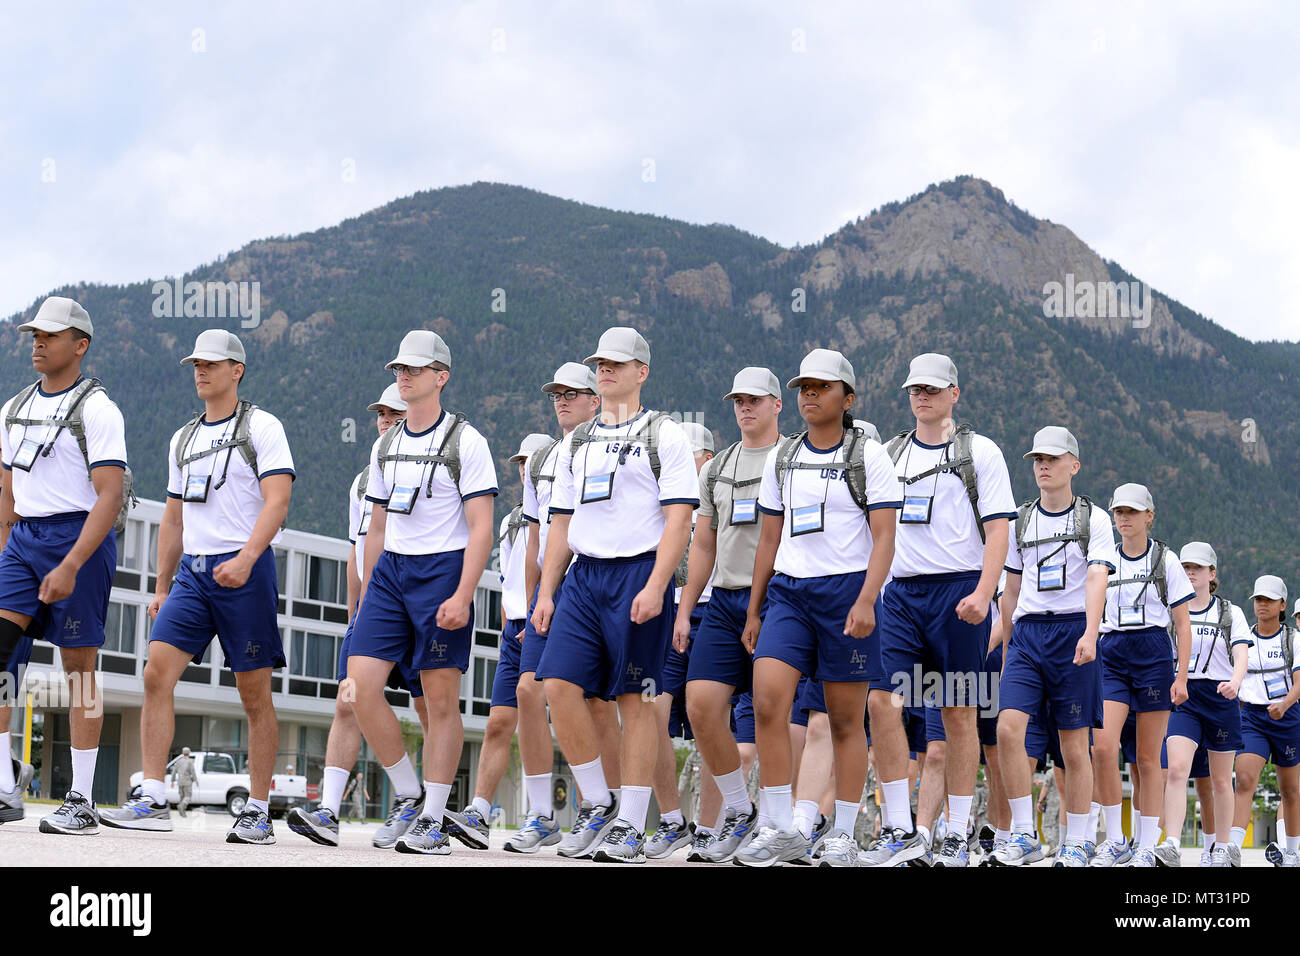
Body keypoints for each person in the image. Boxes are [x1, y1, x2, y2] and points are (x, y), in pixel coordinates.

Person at [102, 330, 293, 845]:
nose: (200, 371)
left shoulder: (263, 428)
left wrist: (248, 557)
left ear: (238, 371)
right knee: (154, 675)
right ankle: (153, 798)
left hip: (245, 571)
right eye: (195, 363)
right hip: (192, 574)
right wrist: (162, 586)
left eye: (212, 363)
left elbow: (277, 502)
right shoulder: (182, 439)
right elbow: (173, 519)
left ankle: (256, 810)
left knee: (253, 693)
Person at [530, 327, 698, 863]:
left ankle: (632, 822)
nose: (605, 371)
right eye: (600, 363)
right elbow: (560, 523)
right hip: (584, 576)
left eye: (617, 364)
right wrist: (546, 593)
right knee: (556, 685)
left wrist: (657, 585)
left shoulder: (664, 434)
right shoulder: (575, 441)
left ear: (641, 372)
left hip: (637, 575)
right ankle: (599, 803)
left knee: (638, 700)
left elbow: (679, 522)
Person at [735, 348, 900, 867]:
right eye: (803, 386)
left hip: (847, 594)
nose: (809, 393)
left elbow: (884, 537)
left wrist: (867, 599)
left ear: (847, 399)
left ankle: (844, 833)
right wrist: (754, 610)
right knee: (767, 700)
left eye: (822, 386)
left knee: (846, 720)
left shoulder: (868, 455)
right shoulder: (783, 457)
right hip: (789, 593)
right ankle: (781, 826)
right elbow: (767, 540)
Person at [864, 353, 1015, 868]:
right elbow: (875, 530)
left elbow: (999, 530)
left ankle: (954, 831)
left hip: (959, 597)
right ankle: (901, 829)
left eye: (932, 389)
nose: (921, 397)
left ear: (955, 393)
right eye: (914, 390)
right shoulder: (889, 455)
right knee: (882, 703)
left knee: (957, 713)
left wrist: (984, 593)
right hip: (901, 596)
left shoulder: (982, 452)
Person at [350, 330, 497, 855]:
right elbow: (377, 527)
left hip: (443, 571)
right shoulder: (385, 443)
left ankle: (434, 818)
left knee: (438, 700)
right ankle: (410, 795)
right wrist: (368, 593)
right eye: (398, 369)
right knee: (360, 686)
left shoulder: (466, 441)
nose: (403, 376)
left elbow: (482, 526)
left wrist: (463, 593)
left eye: (414, 368)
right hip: (391, 573)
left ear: (441, 376)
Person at [0, 297, 127, 834]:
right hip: (24, 539)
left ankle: (80, 798)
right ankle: (6, 785)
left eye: (50, 335)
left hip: (80, 537)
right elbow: (6, 492)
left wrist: (73, 562)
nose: (38, 342)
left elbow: (110, 494)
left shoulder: (98, 410)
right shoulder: (13, 408)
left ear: (81, 345)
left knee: (78, 671)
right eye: (35, 334)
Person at [288, 383, 430, 847]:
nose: (386, 421)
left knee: (431, 706)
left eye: (395, 413)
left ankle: (433, 811)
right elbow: (357, 551)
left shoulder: (432, 462)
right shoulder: (364, 480)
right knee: (348, 698)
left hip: (418, 604)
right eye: (381, 414)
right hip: (374, 608)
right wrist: (355, 612)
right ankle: (330, 809)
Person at [986, 427, 1115, 867]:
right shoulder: (1020, 520)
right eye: (1038, 459)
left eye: (1052, 458)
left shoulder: (1092, 519)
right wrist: (1006, 653)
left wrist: (1091, 633)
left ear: (1073, 465)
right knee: (1007, 729)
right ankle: (1023, 833)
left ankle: (1077, 840)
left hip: (1072, 633)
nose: (1042, 465)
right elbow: (1011, 590)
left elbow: (1097, 576)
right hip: (1026, 636)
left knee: (1075, 746)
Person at [676, 368, 783, 863]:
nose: (745, 408)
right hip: (722, 600)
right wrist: (683, 609)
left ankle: (786, 824)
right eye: (738, 400)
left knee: (770, 711)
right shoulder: (715, 468)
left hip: (782, 598)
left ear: (777, 405)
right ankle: (741, 811)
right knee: (700, 703)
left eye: (755, 400)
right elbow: (703, 543)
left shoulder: (792, 461)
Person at [503, 363, 605, 855]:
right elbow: (535, 540)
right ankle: (542, 814)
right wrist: (532, 600)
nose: (562, 401)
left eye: (572, 394)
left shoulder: (603, 446)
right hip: (550, 590)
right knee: (528, 691)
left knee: (598, 702)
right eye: (556, 395)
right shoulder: (543, 459)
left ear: (595, 400)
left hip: (593, 581)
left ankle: (607, 808)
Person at [456, 431, 554, 845]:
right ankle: (479, 810)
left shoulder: (558, 514)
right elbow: (507, 578)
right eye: (519, 463)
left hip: (547, 620)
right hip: (514, 626)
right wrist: (504, 624)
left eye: (531, 461)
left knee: (571, 718)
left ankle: (555, 812)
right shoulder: (511, 520)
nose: (524, 469)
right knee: (498, 721)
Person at [1089, 483, 1193, 867]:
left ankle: (1147, 844)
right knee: (1102, 747)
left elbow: (1183, 625)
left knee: (1149, 759)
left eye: (1132, 512)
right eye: (1118, 512)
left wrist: (1181, 677)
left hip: (1153, 655)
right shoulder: (1103, 559)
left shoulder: (1167, 561)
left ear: (1149, 516)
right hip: (1112, 652)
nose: (1124, 518)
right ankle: (1115, 839)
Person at [646, 421, 717, 859]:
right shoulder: (659, 502)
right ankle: (672, 820)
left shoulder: (716, 496)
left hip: (712, 612)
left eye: (687, 453)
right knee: (651, 713)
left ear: (706, 458)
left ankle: (708, 826)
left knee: (711, 722)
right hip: (665, 611)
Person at [1154, 542, 1249, 867]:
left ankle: (1221, 848)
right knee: (1177, 770)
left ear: (1212, 574)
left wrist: (1236, 681)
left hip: (1221, 698)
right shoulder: (1171, 611)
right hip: (1184, 696)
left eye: (1197, 568)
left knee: (1222, 780)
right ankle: (1172, 844)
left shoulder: (1229, 612)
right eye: (1185, 568)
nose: (1190, 573)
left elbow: (1240, 652)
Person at [1231, 575, 1300, 867]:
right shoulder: (1243, 637)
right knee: (1244, 779)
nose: (1262, 605)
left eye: (1269, 600)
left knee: (1290, 789)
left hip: (1287, 715)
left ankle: (1292, 851)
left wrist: (1284, 705)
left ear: (1282, 605)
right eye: (1258, 599)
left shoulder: (1293, 639)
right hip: (1253, 717)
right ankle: (1232, 848)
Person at [174, 747, 197, 817]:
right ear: (189, 753)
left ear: (183, 753)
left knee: (182, 797)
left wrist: (172, 781)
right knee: (188, 796)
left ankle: (182, 813)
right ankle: (181, 806)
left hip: (180, 782)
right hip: (187, 782)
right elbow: (192, 771)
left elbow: (174, 772)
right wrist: (195, 780)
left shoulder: (178, 761)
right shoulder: (190, 761)